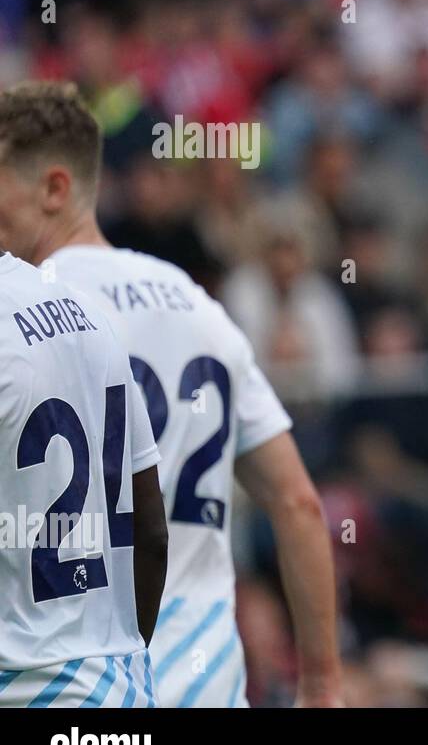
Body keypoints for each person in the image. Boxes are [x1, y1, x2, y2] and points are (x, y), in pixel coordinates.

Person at [0, 80, 343, 707]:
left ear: (53, 188)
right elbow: (297, 503)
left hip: (80, 680)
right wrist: (321, 686)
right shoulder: (195, 301)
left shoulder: (27, 313)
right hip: (210, 678)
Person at [0, 247, 167, 706]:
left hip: (22, 686)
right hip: (120, 687)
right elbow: (153, 533)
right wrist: (123, 652)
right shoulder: (87, 314)